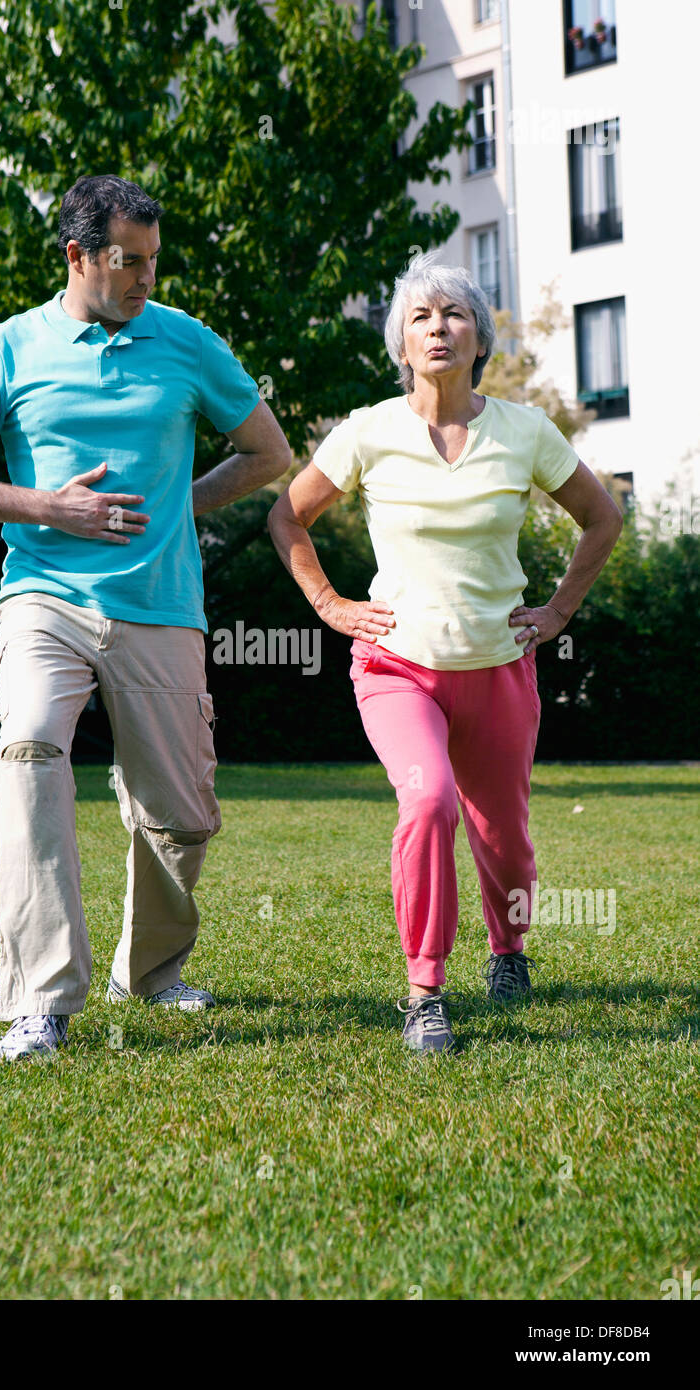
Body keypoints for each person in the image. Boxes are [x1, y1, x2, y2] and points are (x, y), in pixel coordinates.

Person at [0, 174, 291, 1060]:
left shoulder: (186, 343)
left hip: (162, 608)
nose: (147, 278)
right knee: (29, 748)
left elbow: (268, 453)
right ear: (76, 256)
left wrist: (179, 501)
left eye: (154, 261)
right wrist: (44, 508)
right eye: (128, 262)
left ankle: (147, 970)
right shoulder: (9, 349)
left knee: (179, 813)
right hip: (46, 599)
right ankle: (41, 999)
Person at [267, 251, 622, 1053]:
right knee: (427, 802)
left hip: (498, 664)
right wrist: (329, 604)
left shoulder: (524, 431)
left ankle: (510, 951)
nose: (438, 327)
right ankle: (425, 991)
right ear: (400, 343)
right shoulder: (368, 431)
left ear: (479, 338)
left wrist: (560, 608)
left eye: (454, 314)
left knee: (504, 833)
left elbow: (601, 519)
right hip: (398, 667)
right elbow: (287, 519)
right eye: (421, 317)